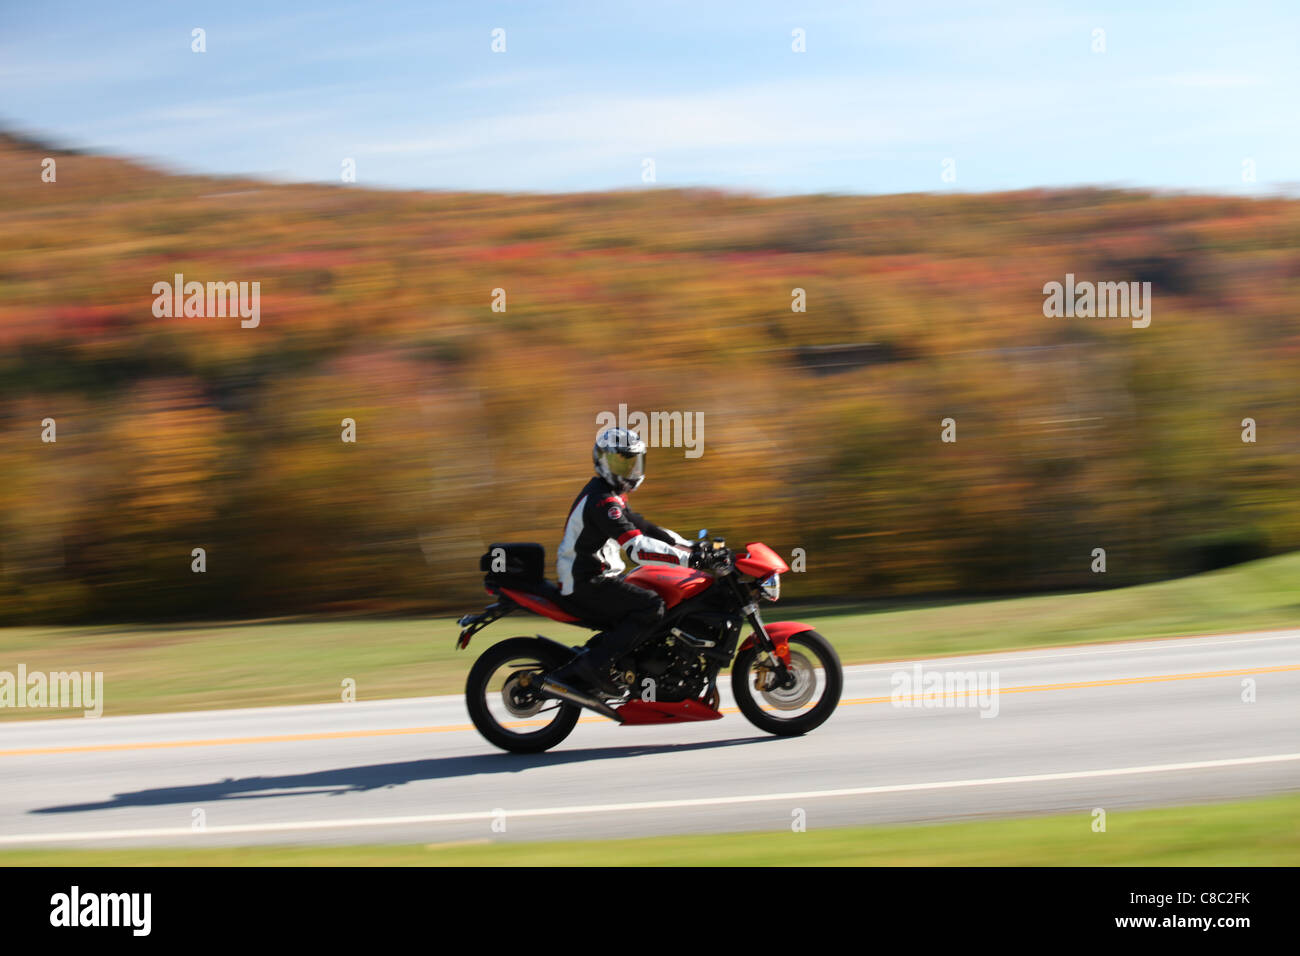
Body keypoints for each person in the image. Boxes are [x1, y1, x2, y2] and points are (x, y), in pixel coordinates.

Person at [549, 427, 692, 696]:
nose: (629, 470)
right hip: (586, 581)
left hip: (597, 577)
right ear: (602, 460)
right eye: (621, 462)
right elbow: (637, 548)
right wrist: (688, 559)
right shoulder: (602, 501)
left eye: (633, 462)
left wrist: (693, 546)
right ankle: (596, 667)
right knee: (652, 607)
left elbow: (646, 528)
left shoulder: (610, 496)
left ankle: (614, 662)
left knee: (651, 596)